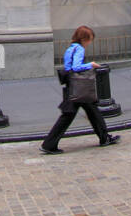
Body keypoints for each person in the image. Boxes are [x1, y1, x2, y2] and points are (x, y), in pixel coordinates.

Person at [40, 25, 120, 154]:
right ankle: (49, 144)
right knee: (79, 114)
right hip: (80, 87)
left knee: (85, 113)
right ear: (84, 39)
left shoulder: (70, 48)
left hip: (73, 86)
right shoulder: (79, 49)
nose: (89, 43)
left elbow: (68, 67)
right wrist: (91, 64)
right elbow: (76, 67)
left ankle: (104, 137)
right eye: (89, 39)